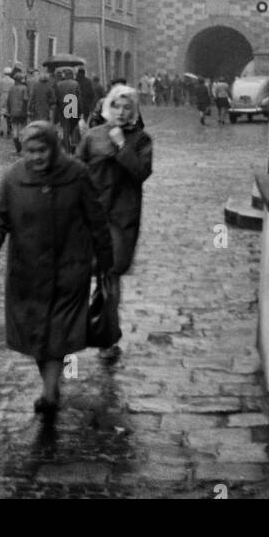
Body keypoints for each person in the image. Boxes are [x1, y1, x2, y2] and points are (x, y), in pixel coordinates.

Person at [0, 120, 113, 423]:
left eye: (43, 150)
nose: (37, 157)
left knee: (58, 332)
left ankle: (51, 392)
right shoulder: (13, 178)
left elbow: (97, 219)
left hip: (70, 271)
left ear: (54, 148)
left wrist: (104, 262)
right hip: (26, 274)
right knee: (37, 334)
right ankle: (50, 385)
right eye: (31, 151)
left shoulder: (77, 174)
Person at [77, 82, 153, 362]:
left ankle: (109, 338)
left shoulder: (142, 141)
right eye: (117, 106)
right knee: (88, 275)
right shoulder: (92, 136)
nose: (121, 112)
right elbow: (78, 169)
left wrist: (122, 145)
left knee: (111, 276)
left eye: (127, 107)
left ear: (134, 111)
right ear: (108, 106)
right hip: (91, 217)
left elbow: (141, 173)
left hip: (122, 220)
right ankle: (85, 327)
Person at [53, 67, 82, 153]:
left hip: (63, 108)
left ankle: (67, 149)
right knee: (73, 129)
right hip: (73, 108)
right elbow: (79, 98)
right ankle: (73, 146)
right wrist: (80, 110)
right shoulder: (76, 83)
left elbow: (56, 99)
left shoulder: (59, 84)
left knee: (65, 129)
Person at [6, 72, 29, 154]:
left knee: (15, 128)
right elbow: (26, 99)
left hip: (13, 111)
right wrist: (27, 109)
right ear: (21, 79)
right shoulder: (24, 88)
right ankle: (22, 146)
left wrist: (8, 110)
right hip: (22, 111)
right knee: (22, 128)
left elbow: (8, 101)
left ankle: (16, 143)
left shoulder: (11, 88)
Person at [0, 66, 16, 138]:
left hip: (2, 96)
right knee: (9, 113)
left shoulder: (1, 80)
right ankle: (9, 128)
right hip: (10, 97)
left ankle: (1, 128)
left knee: (2, 113)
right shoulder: (13, 81)